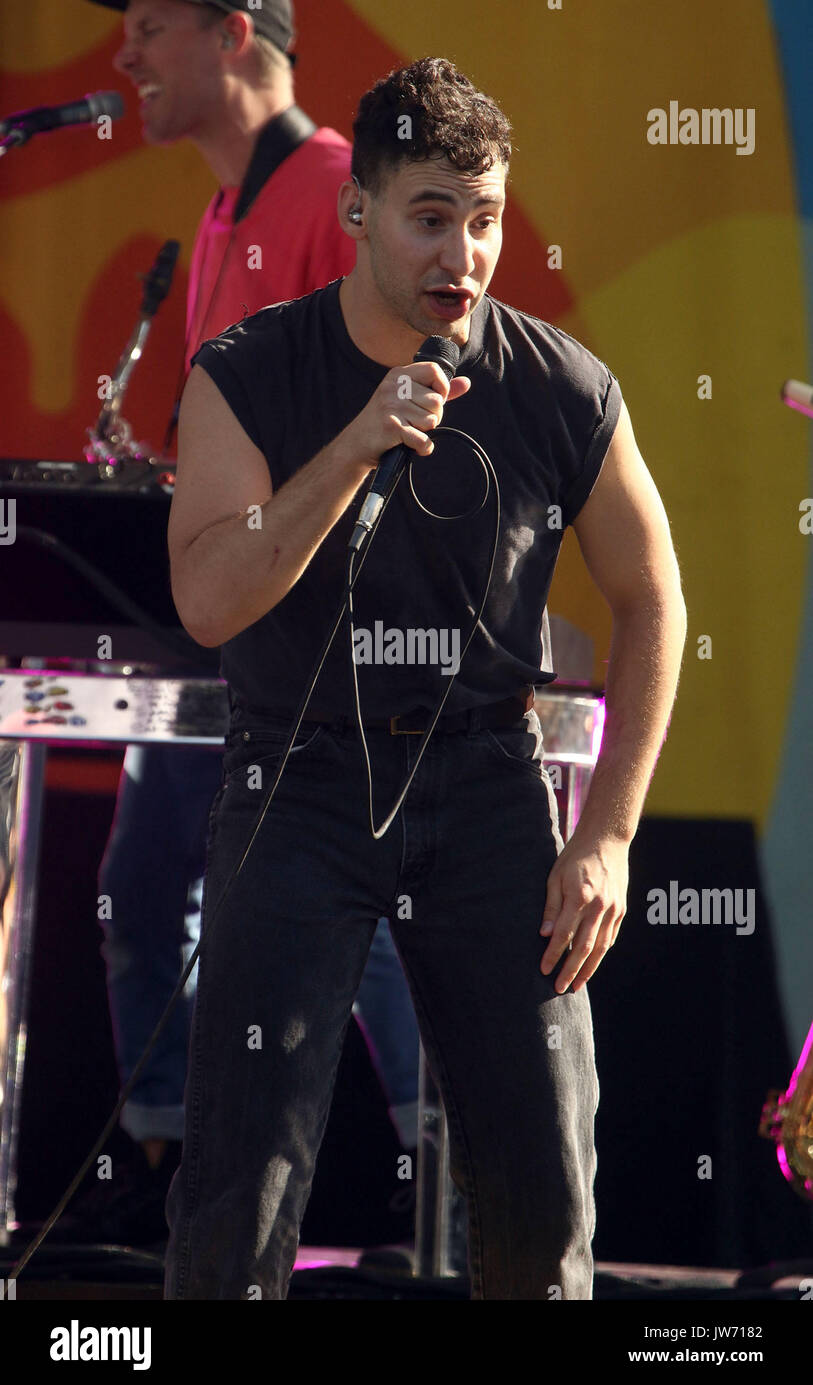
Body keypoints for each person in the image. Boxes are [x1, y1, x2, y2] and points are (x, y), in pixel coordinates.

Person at [163, 55, 688, 1300]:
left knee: (545, 1185)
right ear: (361, 214)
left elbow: (654, 597)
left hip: (486, 778)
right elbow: (207, 600)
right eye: (431, 216)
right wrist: (354, 442)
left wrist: (607, 836)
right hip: (298, 772)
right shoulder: (250, 372)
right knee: (245, 1180)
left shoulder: (560, 386)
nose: (464, 251)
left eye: (486, 217)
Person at [73, 0, 419, 1246]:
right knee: (142, 877)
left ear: (231, 33)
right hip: (228, 626)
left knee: (348, 913)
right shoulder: (216, 217)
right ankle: (188, 1182)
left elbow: (399, 419)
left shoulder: (338, 188)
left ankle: (438, 1190)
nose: (121, 57)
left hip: (328, 637)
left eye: (149, 25)